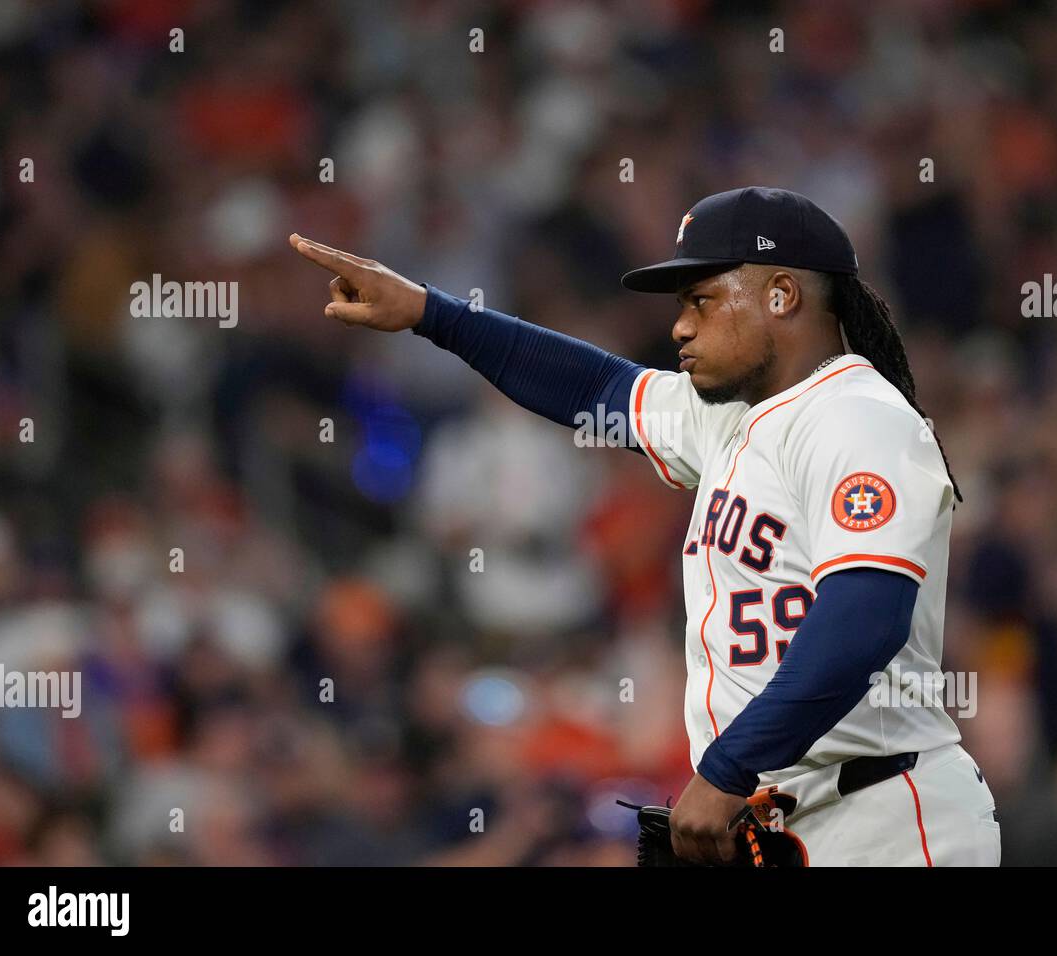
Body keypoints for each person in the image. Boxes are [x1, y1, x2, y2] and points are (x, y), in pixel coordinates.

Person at [289, 186, 1000, 866]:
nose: (680, 325)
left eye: (702, 299)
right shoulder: (727, 416)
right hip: (784, 818)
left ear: (782, 295)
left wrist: (725, 769)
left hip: (882, 817)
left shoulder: (858, 417)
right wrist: (427, 312)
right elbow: (592, 387)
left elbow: (865, 619)